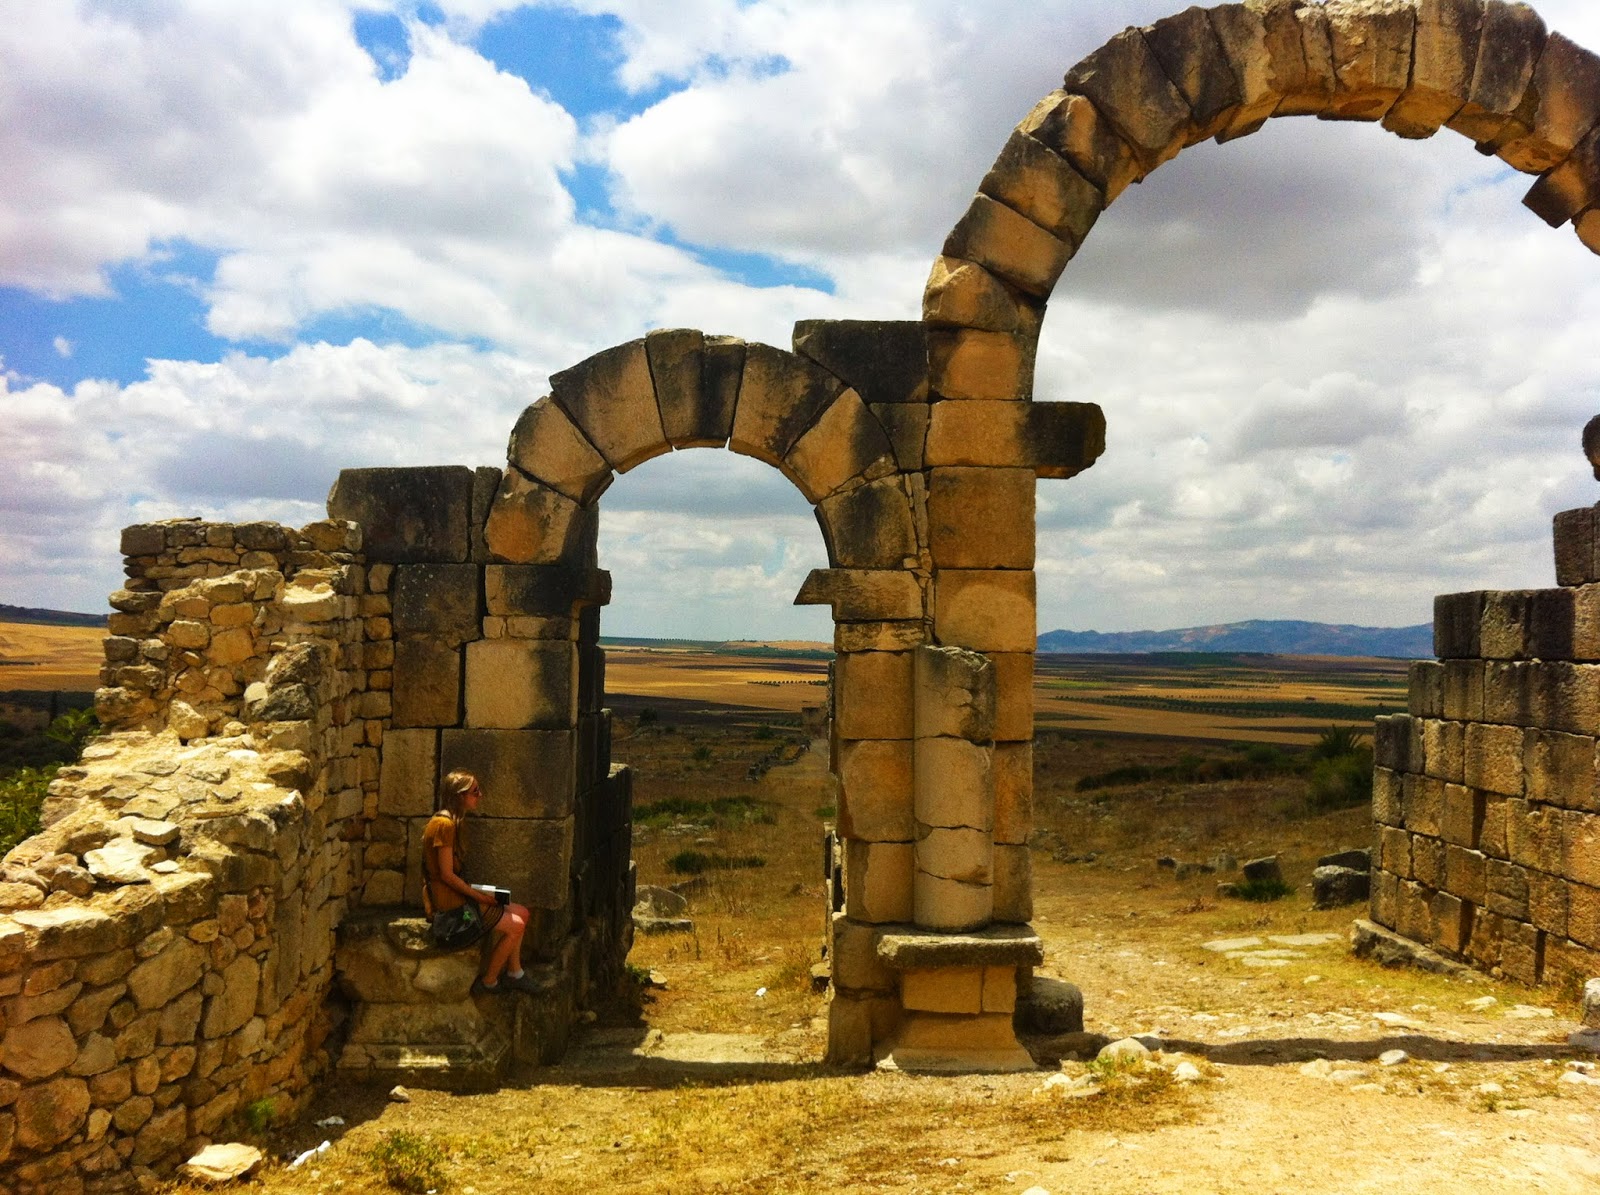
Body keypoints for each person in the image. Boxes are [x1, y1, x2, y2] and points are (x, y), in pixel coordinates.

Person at [422, 769, 535, 993]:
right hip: (451, 904)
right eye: (475, 791)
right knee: (517, 926)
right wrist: (479, 897)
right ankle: (489, 981)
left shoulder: (452, 822)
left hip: (459, 895)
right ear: (459, 795)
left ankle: (515, 972)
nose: (480, 795)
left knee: (523, 912)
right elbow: (446, 874)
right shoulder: (444, 825)